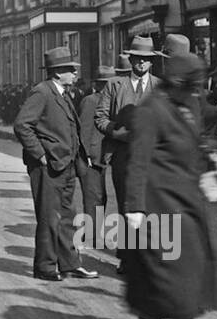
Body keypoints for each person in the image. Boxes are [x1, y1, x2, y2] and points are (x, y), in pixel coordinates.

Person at [126, 52, 216, 319]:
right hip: (159, 205)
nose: (196, 93)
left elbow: (194, 139)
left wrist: (210, 159)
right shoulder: (151, 111)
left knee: (186, 268)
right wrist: (134, 209)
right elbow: (137, 161)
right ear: (176, 83)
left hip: (186, 200)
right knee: (167, 272)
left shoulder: (185, 103)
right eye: (191, 86)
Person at [12, 47, 98, 282]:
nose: (75, 73)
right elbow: (22, 125)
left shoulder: (63, 93)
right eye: (71, 70)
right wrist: (40, 154)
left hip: (66, 166)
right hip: (48, 167)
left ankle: (70, 264)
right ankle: (45, 267)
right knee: (50, 218)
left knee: (68, 216)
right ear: (58, 72)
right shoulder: (42, 92)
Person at [96, 36, 163, 274]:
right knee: (127, 206)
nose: (141, 63)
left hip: (151, 158)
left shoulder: (159, 87)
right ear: (131, 59)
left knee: (150, 207)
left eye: (146, 59)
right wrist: (116, 132)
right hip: (123, 155)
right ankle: (127, 257)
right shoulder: (115, 85)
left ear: (151, 62)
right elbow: (100, 117)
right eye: (138, 58)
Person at [77, 66, 115, 230]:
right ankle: (91, 234)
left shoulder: (109, 101)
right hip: (91, 158)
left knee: (101, 197)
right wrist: (86, 157)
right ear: (97, 85)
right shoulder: (90, 101)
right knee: (93, 197)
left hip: (101, 156)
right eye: (104, 84)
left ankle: (94, 231)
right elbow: (84, 131)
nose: (108, 87)